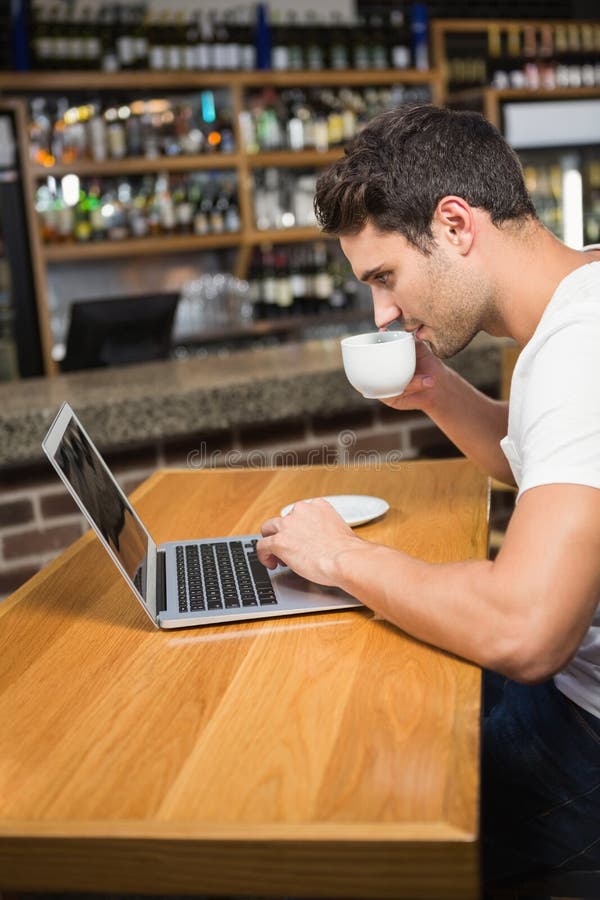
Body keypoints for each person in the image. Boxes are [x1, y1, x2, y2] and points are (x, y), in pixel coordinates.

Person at [256, 105, 600, 888]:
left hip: (585, 732)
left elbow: (526, 630)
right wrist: (437, 392)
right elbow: (545, 461)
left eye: (384, 277)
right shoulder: (579, 294)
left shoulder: (582, 348)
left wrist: (340, 557)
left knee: (340, 821)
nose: (383, 313)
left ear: (453, 225)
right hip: (573, 693)